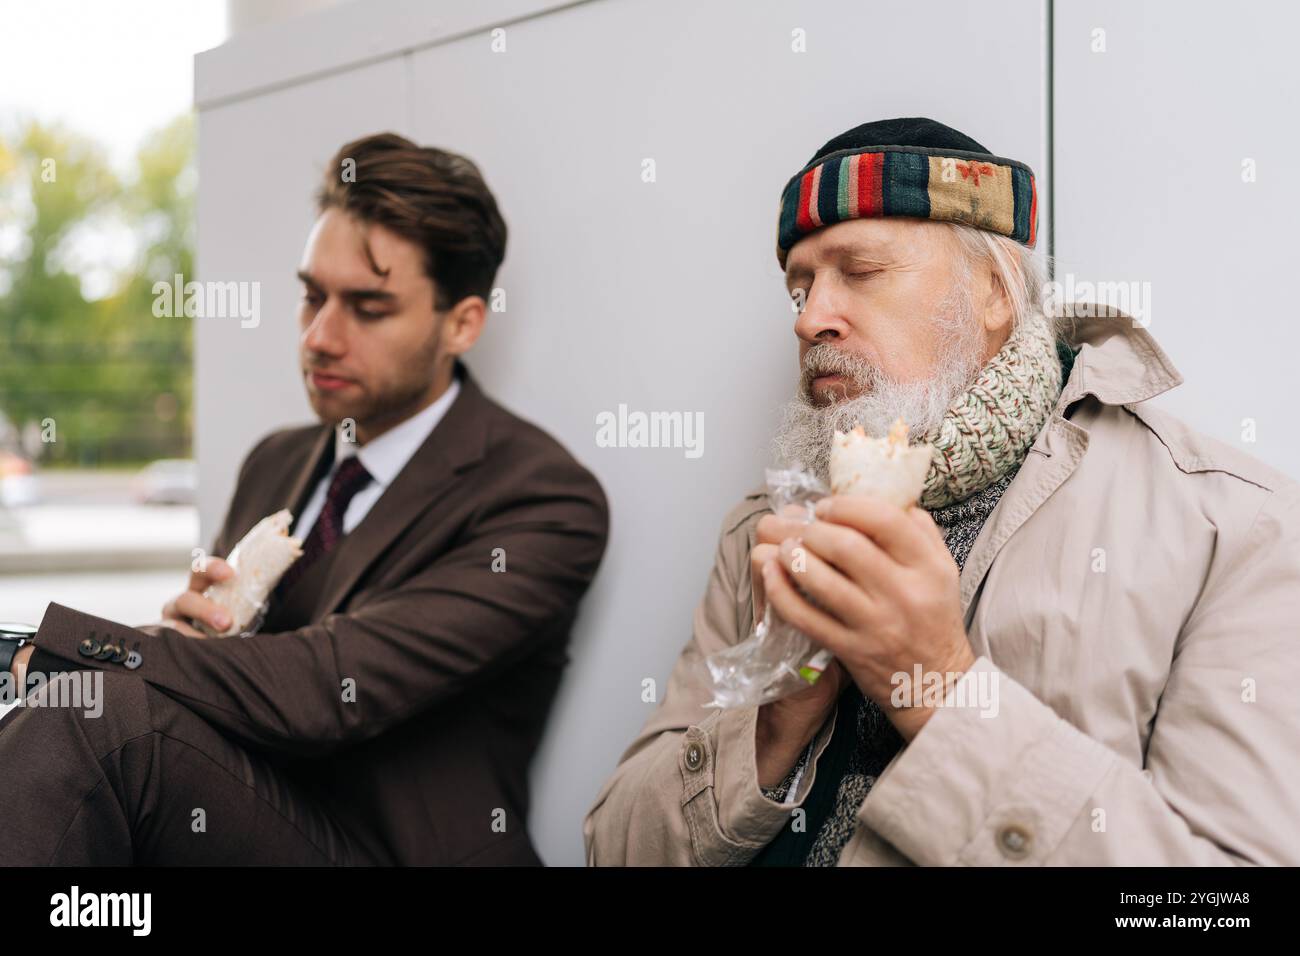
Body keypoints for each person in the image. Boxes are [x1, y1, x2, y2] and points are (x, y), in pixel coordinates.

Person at [583, 116, 1300, 866]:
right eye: (800, 289)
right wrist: (774, 719)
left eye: (858, 272)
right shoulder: (764, 533)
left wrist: (938, 689)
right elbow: (615, 849)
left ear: (994, 294)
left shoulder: (1234, 531)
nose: (811, 319)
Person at [0, 132, 609, 866]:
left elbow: (329, 686)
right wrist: (193, 638)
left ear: (463, 322)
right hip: (240, 820)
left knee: (97, 713)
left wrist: (57, 653)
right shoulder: (276, 460)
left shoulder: (542, 498)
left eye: (368, 307)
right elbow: (222, 684)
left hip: (394, 854)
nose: (321, 336)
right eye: (311, 296)